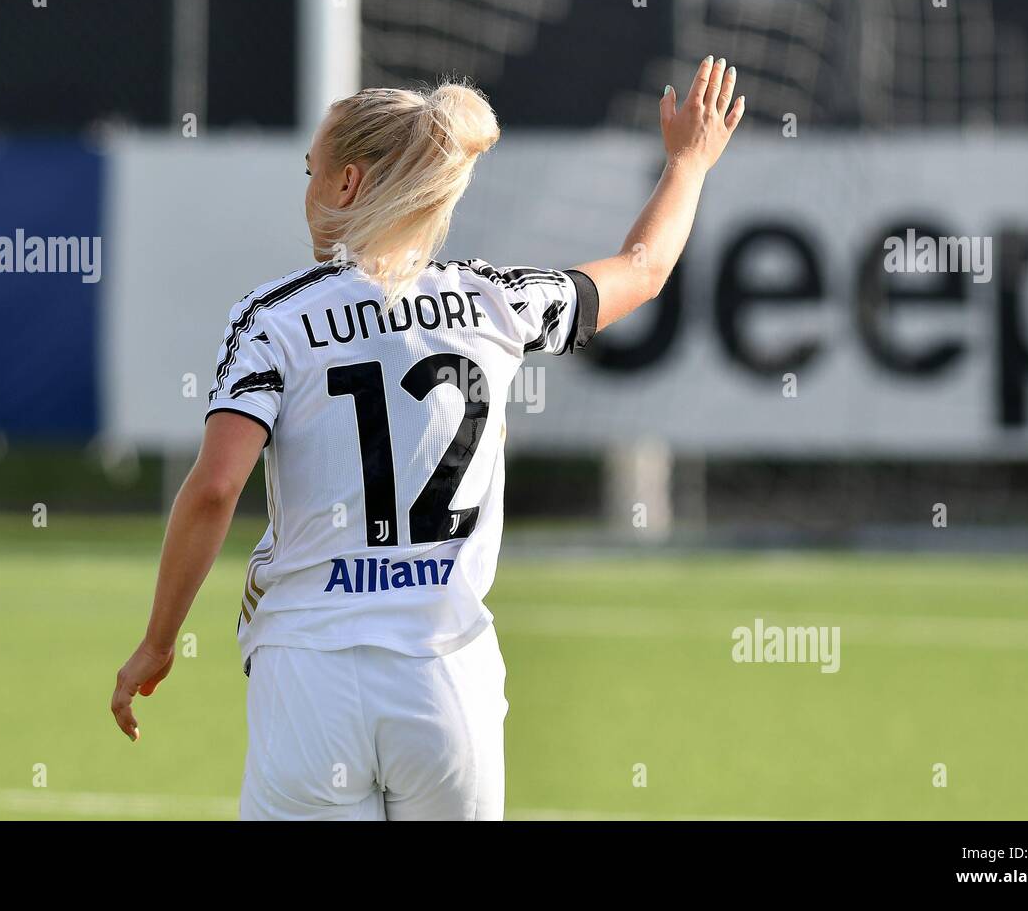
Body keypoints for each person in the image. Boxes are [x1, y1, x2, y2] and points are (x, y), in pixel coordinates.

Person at [111, 57, 745, 820]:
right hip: (447, 681)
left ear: (346, 184)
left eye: (312, 169)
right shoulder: (494, 303)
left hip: (308, 674)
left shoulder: (272, 318)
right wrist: (688, 162)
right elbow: (643, 271)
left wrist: (158, 639)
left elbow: (216, 489)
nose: (307, 188)